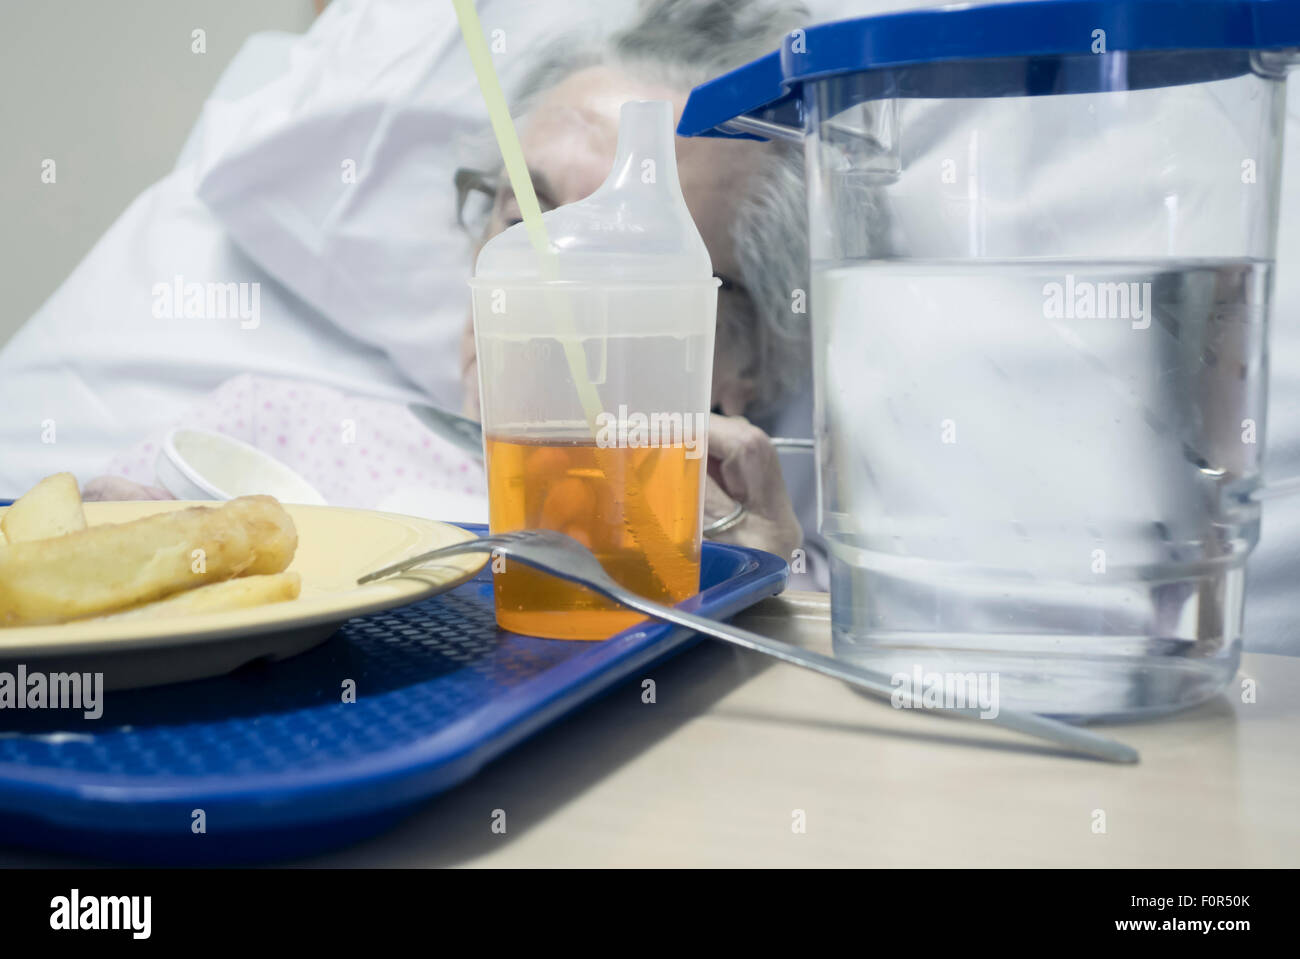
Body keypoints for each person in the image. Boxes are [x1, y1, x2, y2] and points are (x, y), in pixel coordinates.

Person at [12, 0, 821, 578]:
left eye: (624, 250)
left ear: (738, 363)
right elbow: (58, 566)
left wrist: (758, 590)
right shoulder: (264, 434)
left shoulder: (749, 546)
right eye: (520, 214)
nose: (535, 284)